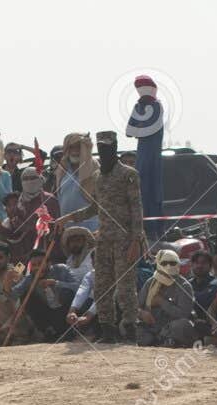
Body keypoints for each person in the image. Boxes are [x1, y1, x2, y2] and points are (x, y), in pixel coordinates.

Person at [85, 130, 145, 341]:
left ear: (115, 147)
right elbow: (94, 207)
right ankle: (107, 329)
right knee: (101, 286)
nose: (104, 152)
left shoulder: (128, 174)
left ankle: (129, 329)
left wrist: (136, 240)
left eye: (108, 147)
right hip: (103, 241)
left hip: (125, 240)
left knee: (125, 287)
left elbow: (137, 208)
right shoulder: (98, 177)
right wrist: (69, 218)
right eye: (100, 148)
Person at [127, 75, 166, 240]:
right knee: (141, 189)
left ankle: (154, 230)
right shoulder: (138, 107)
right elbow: (130, 131)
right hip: (142, 154)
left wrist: (140, 128)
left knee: (152, 191)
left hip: (153, 154)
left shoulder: (157, 106)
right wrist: (141, 127)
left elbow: (148, 129)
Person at [135, 248, 196, 346]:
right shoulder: (150, 283)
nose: (168, 266)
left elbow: (183, 314)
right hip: (151, 326)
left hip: (170, 326)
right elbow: (136, 306)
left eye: (172, 263)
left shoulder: (184, 285)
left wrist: (161, 302)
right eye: (164, 263)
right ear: (159, 264)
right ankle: (157, 341)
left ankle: (163, 340)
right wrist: (142, 313)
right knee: (127, 324)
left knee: (183, 325)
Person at [4, 168, 60, 261]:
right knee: (18, 272)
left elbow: (55, 229)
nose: (29, 182)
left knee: (43, 274)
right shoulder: (19, 202)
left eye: (33, 178)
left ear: (40, 179)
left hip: (45, 254)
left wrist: (27, 228)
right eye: (25, 179)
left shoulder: (49, 200)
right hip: (22, 254)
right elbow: (14, 230)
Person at [57, 132, 98, 232]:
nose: (75, 151)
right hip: (68, 230)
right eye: (72, 147)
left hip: (91, 228)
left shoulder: (93, 166)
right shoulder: (63, 169)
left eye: (78, 147)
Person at [187, 249, 217, 344]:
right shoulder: (188, 283)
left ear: (210, 266)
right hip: (192, 321)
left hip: (211, 325)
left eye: (203, 263)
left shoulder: (216, 284)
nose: (199, 266)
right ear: (192, 265)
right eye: (196, 263)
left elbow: (201, 300)